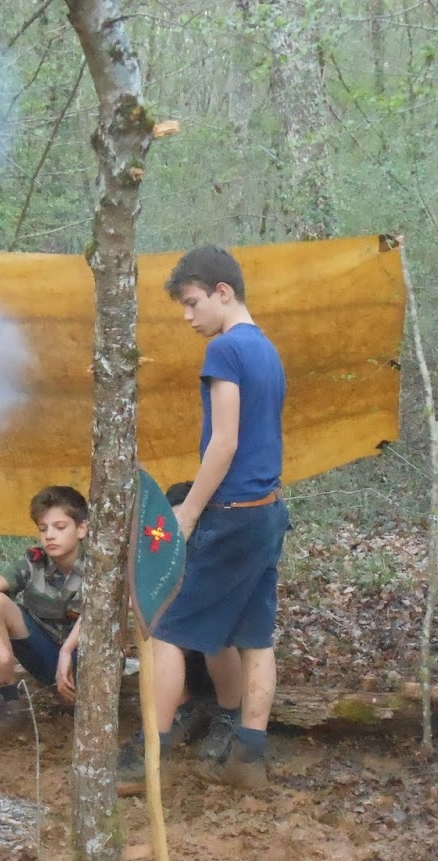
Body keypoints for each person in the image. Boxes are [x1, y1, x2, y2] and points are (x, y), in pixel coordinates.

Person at [117, 245, 289, 794]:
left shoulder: (227, 349)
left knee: (165, 629)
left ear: (223, 292)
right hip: (267, 512)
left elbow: (225, 442)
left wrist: (189, 512)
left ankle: (147, 757)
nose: (188, 317)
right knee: (255, 637)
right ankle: (248, 758)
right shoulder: (267, 350)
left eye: (193, 303)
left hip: (230, 513)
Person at [0, 485, 88, 746]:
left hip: (86, 665)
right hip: (46, 658)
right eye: (43, 528)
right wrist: (2, 656)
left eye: (60, 527)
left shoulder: (101, 564)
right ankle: (10, 704)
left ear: (82, 529)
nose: (49, 536)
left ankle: (79, 702)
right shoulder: (34, 562)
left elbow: (101, 615)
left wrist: (67, 652)